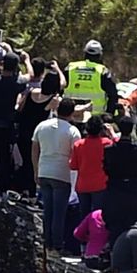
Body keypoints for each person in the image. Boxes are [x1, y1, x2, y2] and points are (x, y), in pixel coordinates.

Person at [33, 98, 81, 251]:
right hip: (62, 174)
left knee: (48, 210)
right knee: (59, 212)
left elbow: (35, 149)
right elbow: (76, 156)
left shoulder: (42, 125)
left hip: (44, 171)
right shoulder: (73, 131)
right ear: (72, 113)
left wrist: (36, 170)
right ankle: (57, 244)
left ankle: (46, 242)